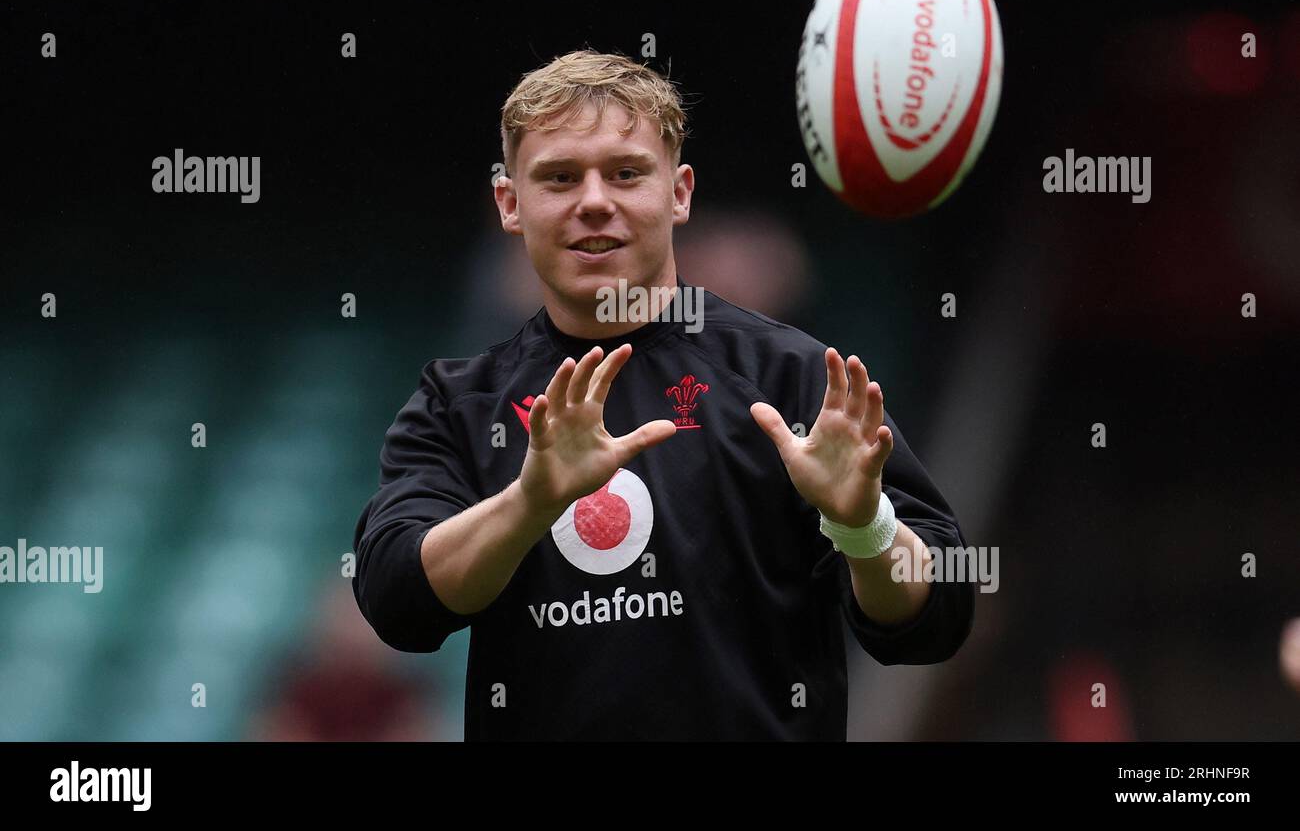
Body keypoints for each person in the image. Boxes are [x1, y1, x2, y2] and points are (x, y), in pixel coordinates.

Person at [351, 49, 975, 740]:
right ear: (511, 204)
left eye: (625, 174)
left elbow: (936, 615)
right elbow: (397, 600)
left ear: (679, 194)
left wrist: (863, 525)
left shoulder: (791, 376)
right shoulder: (459, 404)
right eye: (558, 178)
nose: (594, 201)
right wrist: (530, 502)